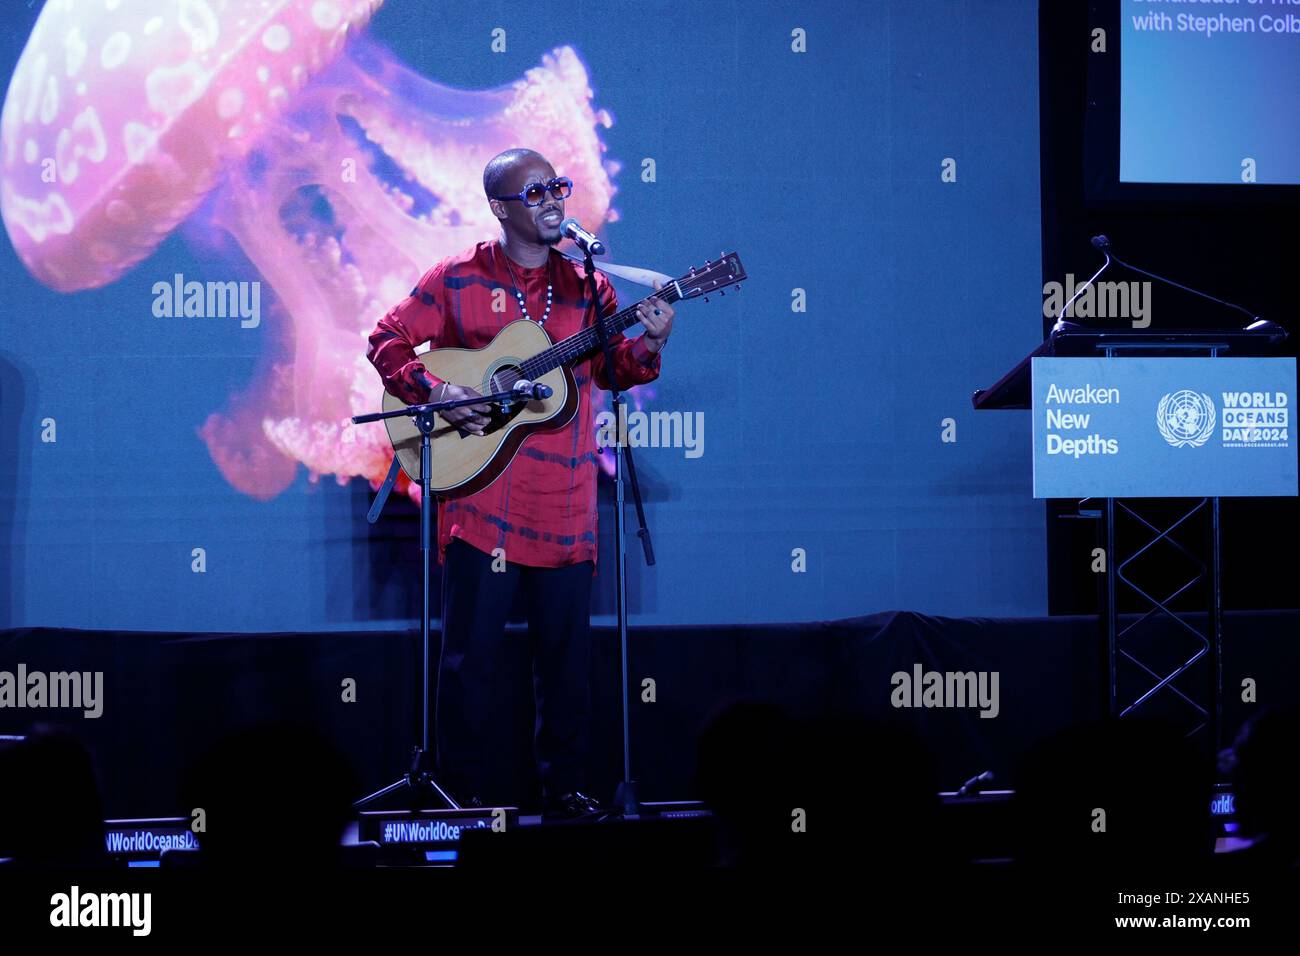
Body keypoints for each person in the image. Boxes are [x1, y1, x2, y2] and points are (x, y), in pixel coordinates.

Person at [366, 148, 674, 817]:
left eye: (556, 187)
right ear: (501, 207)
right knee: (468, 665)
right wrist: (440, 388)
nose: (552, 199)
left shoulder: (591, 288)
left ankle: (564, 793)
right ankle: (462, 799)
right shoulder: (457, 278)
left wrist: (649, 344)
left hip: (566, 507)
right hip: (480, 504)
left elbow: (616, 370)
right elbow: (387, 339)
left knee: (567, 669)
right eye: (534, 192)